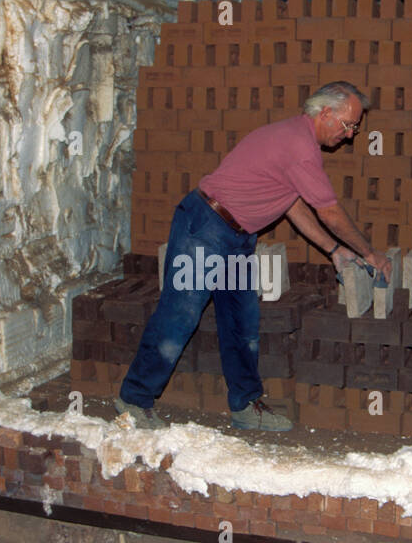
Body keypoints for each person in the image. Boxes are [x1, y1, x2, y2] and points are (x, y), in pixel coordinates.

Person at [115, 81, 393, 431]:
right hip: (204, 228)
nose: (351, 134)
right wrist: (370, 253)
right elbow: (330, 213)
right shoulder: (298, 145)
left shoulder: (297, 140)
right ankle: (134, 400)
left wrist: (335, 251)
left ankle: (245, 405)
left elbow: (291, 203)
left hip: (236, 237)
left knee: (241, 323)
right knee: (179, 315)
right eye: (348, 124)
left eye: (354, 127)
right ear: (326, 113)